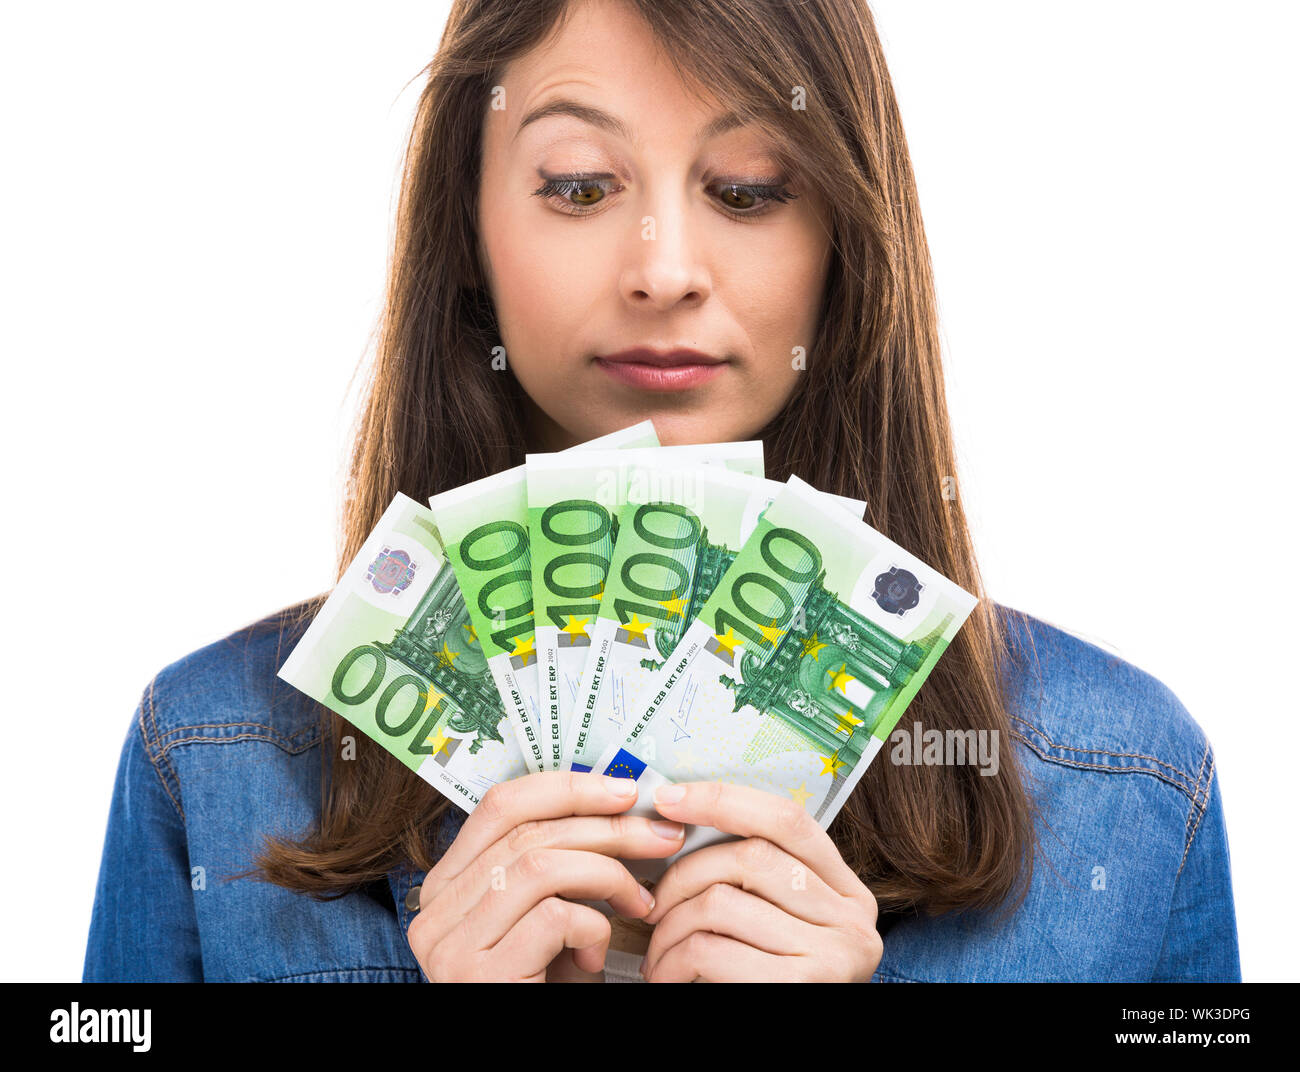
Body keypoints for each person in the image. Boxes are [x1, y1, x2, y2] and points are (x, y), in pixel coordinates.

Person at [82, 0, 1240, 983]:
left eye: (746, 189)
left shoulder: (1124, 783)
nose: (664, 269)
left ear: (844, 236)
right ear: (468, 225)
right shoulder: (210, 753)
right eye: (580, 186)